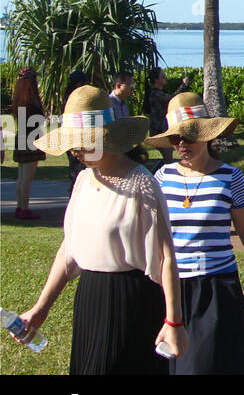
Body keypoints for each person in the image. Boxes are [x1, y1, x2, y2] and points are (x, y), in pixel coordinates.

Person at [14, 85, 187, 373]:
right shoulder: (83, 180)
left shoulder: (141, 184)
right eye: (73, 146)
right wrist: (40, 309)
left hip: (130, 302)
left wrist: (174, 322)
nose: (77, 153)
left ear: (103, 138)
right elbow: (69, 250)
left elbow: (166, 257)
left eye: (82, 144)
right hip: (90, 299)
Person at [148, 94, 244, 374]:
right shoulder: (162, 177)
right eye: (176, 139)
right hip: (170, 285)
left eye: (188, 137)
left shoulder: (231, 178)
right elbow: (150, 234)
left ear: (206, 136)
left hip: (215, 286)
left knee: (208, 364)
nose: (182, 145)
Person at [10, 67, 46, 220]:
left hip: (21, 137)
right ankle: (25, 208)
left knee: (21, 176)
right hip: (32, 139)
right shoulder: (32, 100)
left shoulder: (19, 99)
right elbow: (40, 120)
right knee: (27, 178)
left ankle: (20, 206)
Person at [145, 67, 173, 166]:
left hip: (162, 130)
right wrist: (183, 85)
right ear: (157, 80)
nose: (165, 78)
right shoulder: (156, 94)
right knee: (168, 159)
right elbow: (172, 99)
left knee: (168, 157)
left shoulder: (157, 93)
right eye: (163, 76)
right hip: (159, 131)